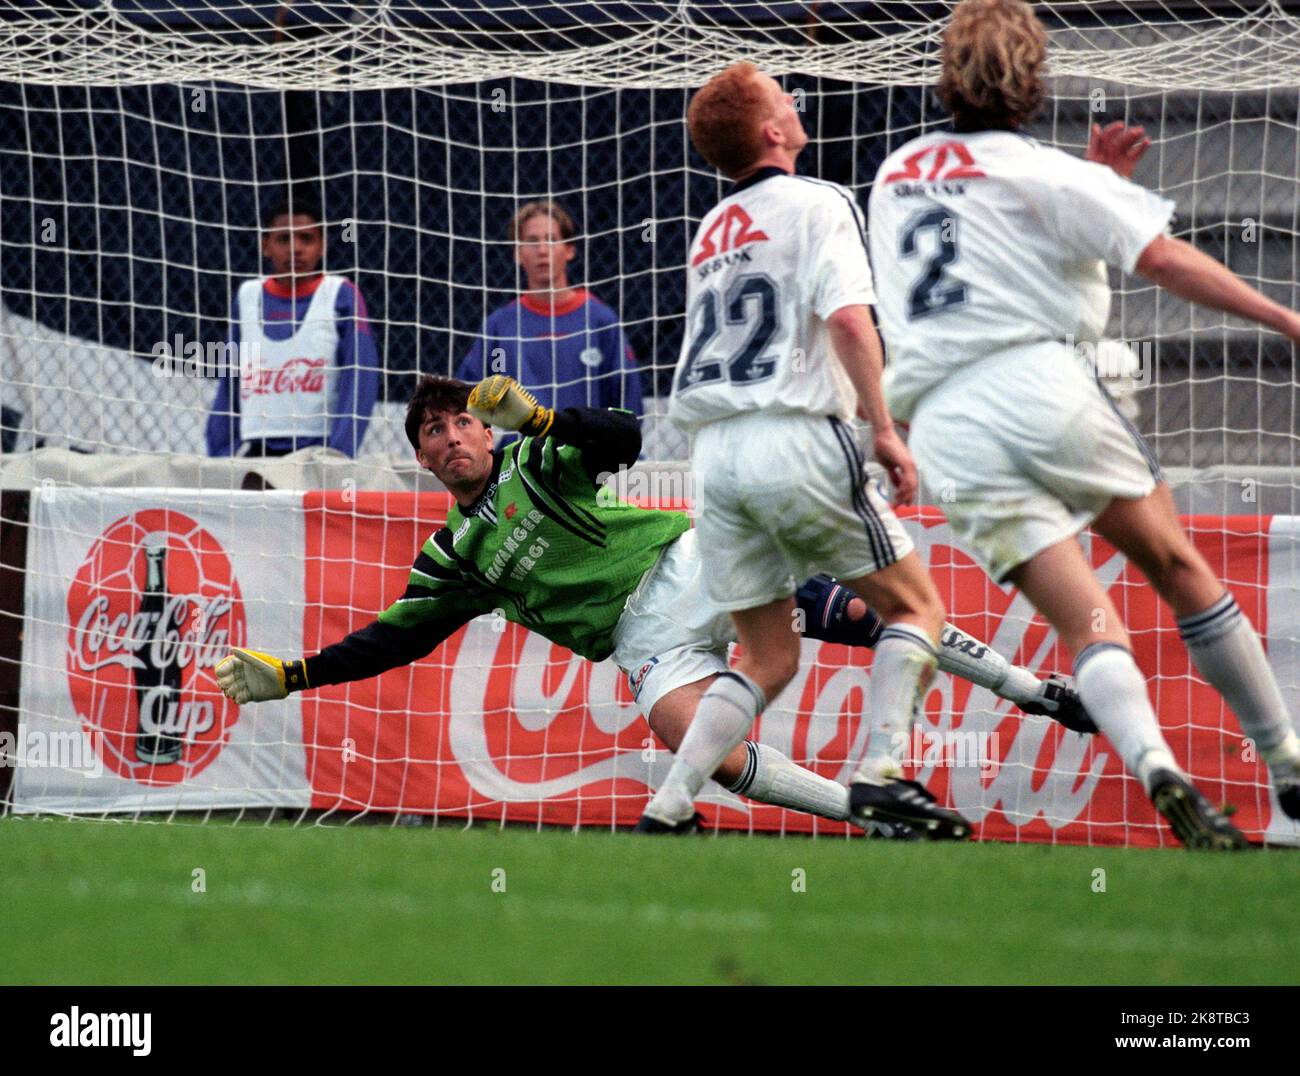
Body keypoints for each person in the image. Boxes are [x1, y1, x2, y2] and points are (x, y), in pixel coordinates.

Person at [214, 375, 1090, 835]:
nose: (449, 441)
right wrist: (291, 674)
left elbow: (626, 438)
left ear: (486, 432)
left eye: (459, 425)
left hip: (688, 560)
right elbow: (390, 641)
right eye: (430, 435)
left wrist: (545, 419)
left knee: (868, 616)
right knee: (687, 736)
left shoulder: (535, 462)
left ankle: (1036, 691)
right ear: (423, 459)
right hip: (640, 639)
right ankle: (868, 811)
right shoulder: (453, 558)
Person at [867, 0, 1300, 848]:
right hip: (1039, 384)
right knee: (1175, 563)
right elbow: (1163, 259)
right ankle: (1284, 757)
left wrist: (1104, 184)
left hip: (945, 424)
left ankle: (1155, 767)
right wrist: (1285, 321)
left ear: (947, 77)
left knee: (1085, 621)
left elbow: (992, 240)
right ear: (1034, 78)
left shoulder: (893, 176)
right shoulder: (1048, 172)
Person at [640, 62, 963, 837]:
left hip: (715, 458)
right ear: (772, 132)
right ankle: (881, 773)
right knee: (914, 606)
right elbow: (850, 320)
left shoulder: (709, 232)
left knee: (766, 657)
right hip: (794, 435)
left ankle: (670, 803)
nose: (795, 103)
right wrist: (884, 426)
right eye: (785, 99)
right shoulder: (820, 201)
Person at [206, 199, 380, 458]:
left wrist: (338, 455)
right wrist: (220, 453)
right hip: (256, 449)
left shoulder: (340, 295)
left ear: (322, 246)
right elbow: (231, 380)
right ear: (265, 245)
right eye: (283, 240)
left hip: (317, 450)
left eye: (306, 239)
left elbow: (360, 381)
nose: (295, 249)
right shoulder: (247, 296)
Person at [455, 201, 642, 417]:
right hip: (522, 449)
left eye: (551, 240)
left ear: (569, 250)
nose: (542, 250)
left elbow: (628, 406)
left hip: (589, 449)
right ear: (517, 253)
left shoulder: (600, 321)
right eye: (532, 241)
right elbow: (466, 402)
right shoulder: (500, 326)